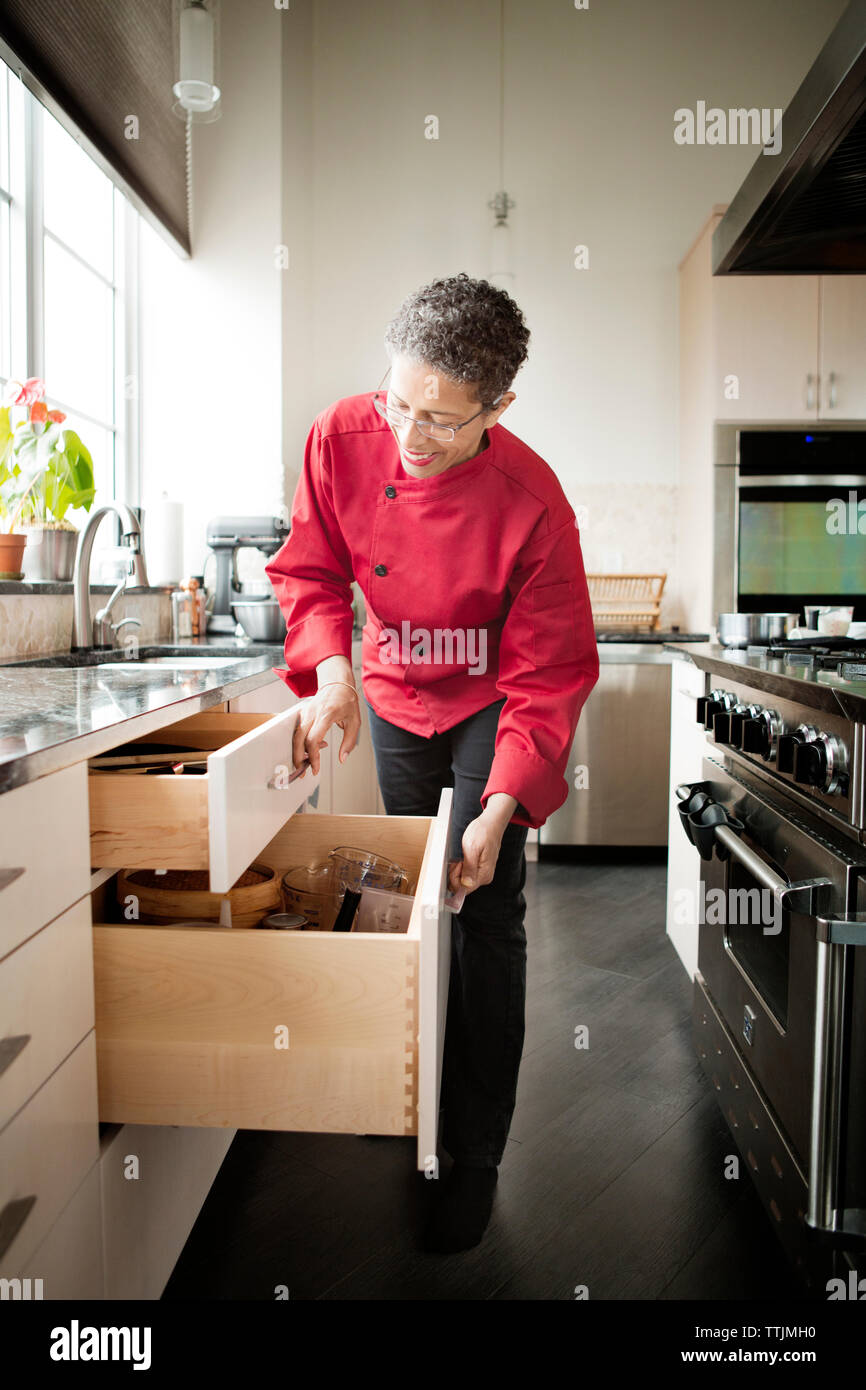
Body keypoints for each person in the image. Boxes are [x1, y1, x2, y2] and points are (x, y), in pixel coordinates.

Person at [265, 273, 599, 1253]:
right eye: (398, 402)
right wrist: (330, 677)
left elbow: (548, 671)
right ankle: (407, 1097)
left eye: (442, 422)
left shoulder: (533, 504)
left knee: (483, 908)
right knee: (411, 900)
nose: (411, 435)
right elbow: (311, 566)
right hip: (390, 689)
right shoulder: (339, 437)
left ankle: (474, 1155)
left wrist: (498, 807)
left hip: (490, 699)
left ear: (496, 409)